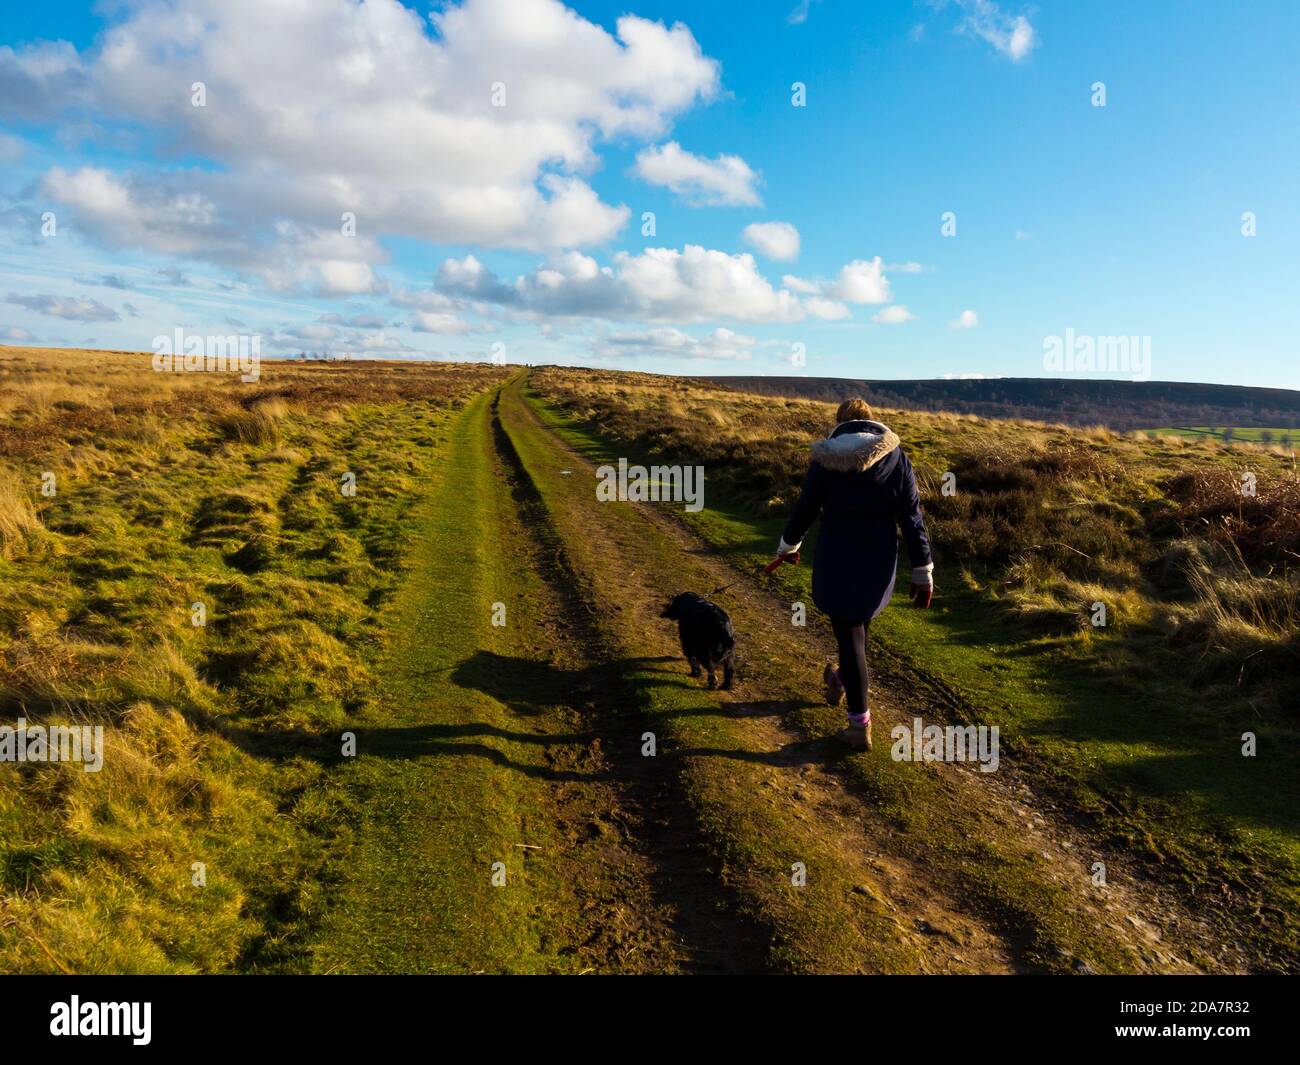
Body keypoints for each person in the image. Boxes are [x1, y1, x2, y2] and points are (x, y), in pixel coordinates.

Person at [773, 398, 933, 750]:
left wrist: (788, 546)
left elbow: (806, 509)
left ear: (840, 421)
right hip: (879, 558)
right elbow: (911, 516)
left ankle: (859, 727)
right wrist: (923, 569)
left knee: (849, 634)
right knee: (858, 629)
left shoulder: (825, 458)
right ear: (871, 421)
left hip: (838, 555)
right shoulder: (897, 457)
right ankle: (841, 680)